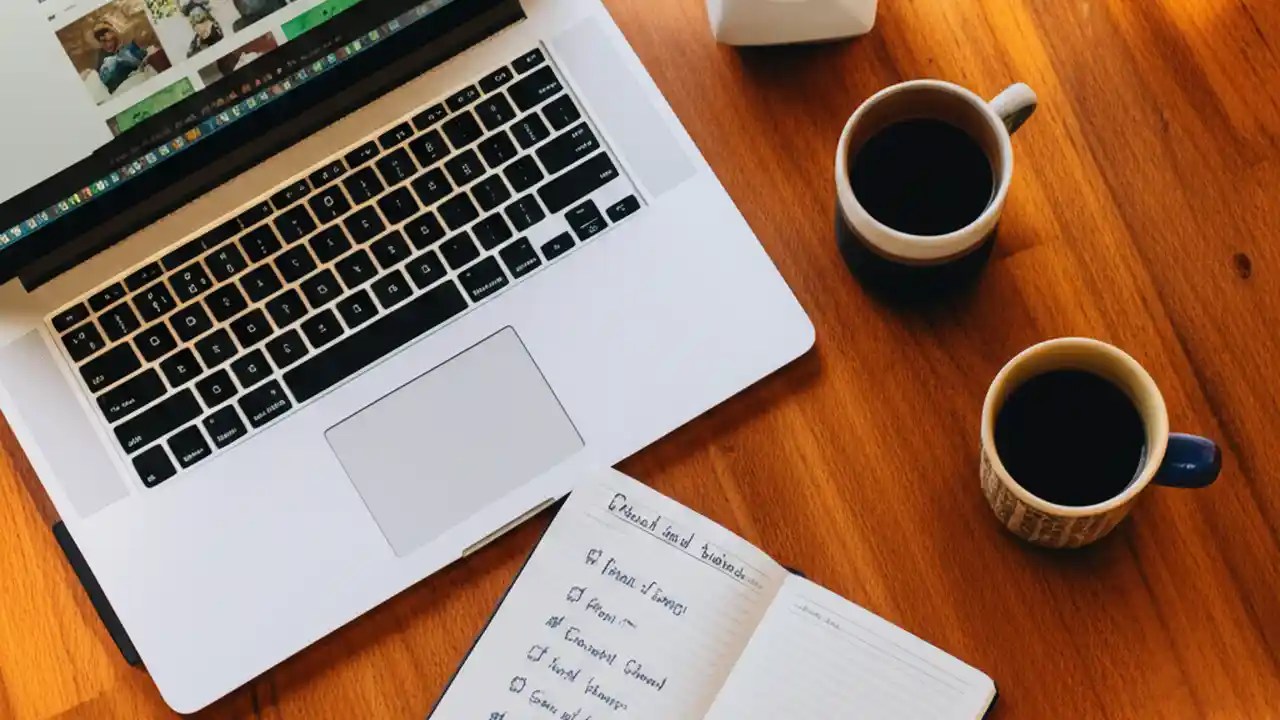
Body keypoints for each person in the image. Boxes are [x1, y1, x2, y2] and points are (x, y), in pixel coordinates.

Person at [92, 20, 148, 95]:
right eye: (100, 41)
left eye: (106, 40)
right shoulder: (104, 57)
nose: (105, 45)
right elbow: (104, 81)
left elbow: (140, 58)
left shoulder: (131, 45)